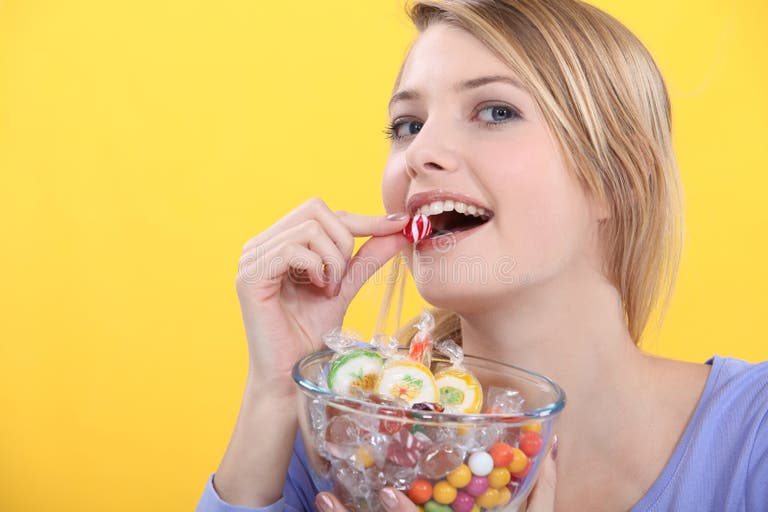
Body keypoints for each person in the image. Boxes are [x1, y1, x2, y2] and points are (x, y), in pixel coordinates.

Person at [196, 0, 768, 510]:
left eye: (495, 111)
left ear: (617, 180)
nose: (420, 153)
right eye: (407, 124)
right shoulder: (347, 437)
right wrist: (273, 390)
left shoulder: (753, 436)